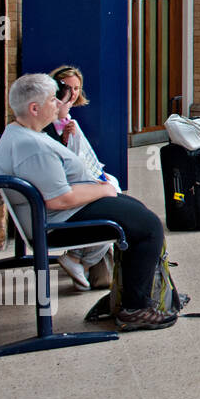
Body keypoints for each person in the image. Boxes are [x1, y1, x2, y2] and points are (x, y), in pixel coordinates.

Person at [0, 74, 177, 330]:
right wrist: (104, 191)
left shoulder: (22, 133)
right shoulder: (31, 147)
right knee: (148, 228)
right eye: (52, 100)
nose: (58, 103)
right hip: (56, 223)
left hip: (55, 215)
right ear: (34, 108)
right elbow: (59, 199)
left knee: (138, 216)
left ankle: (134, 296)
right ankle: (135, 308)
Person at [45, 66, 114, 291]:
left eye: (76, 88)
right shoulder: (51, 123)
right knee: (112, 204)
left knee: (113, 188)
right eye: (67, 88)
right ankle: (79, 260)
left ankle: (80, 261)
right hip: (63, 198)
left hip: (72, 185)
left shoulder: (68, 119)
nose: (73, 93)